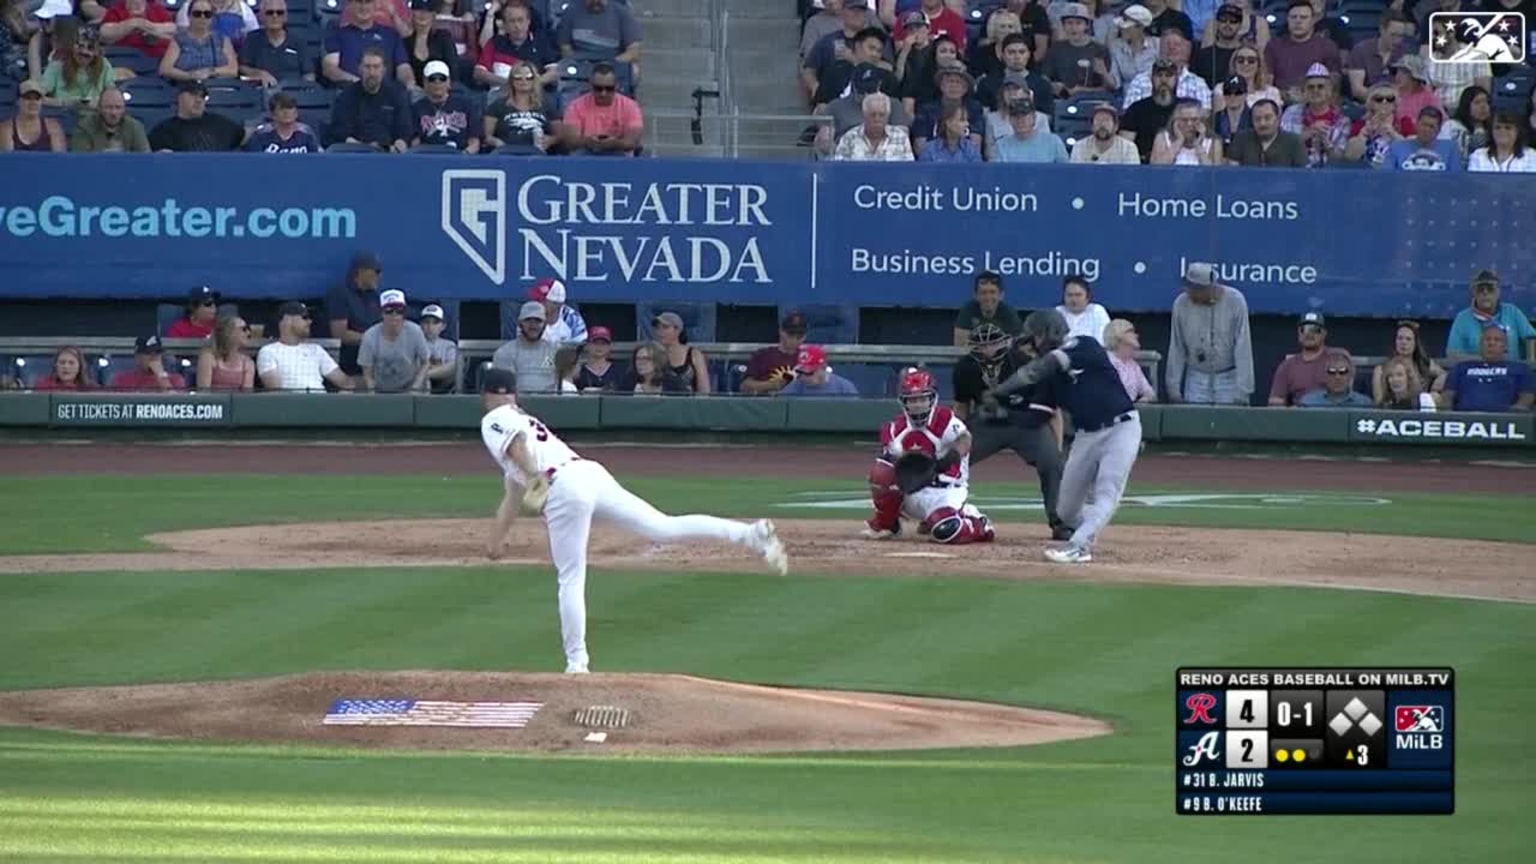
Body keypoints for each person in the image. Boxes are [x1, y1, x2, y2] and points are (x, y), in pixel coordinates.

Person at [478, 367, 787, 675]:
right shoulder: (525, 420)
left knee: (571, 577)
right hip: (589, 473)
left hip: (563, 487)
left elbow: (517, 447)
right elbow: (512, 495)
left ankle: (576, 664)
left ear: (485, 394)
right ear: (513, 392)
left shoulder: (495, 418)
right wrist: (494, 542)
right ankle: (750, 535)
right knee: (663, 526)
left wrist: (535, 477)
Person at [985, 310, 1141, 564]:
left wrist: (1001, 390)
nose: (1031, 343)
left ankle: (1080, 545)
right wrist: (998, 413)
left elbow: (1039, 369)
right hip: (1086, 435)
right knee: (1065, 510)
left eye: (1034, 336)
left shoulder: (1083, 344)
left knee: (1106, 491)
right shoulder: (1051, 379)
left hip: (1121, 428)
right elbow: (1035, 417)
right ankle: (1085, 530)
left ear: (1047, 333)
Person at [950, 323, 1068, 540]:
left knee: (1052, 463)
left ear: (1004, 342)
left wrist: (1057, 446)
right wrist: (953, 439)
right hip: (987, 423)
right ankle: (938, 513)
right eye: (982, 345)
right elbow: (961, 408)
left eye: (993, 343)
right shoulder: (965, 368)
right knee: (949, 459)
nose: (988, 350)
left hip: (1026, 422)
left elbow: (1053, 409)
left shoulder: (1025, 362)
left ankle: (1059, 521)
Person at [861, 366, 995, 545]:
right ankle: (887, 525)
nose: (917, 405)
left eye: (922, 399)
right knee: (881, 472)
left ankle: (977, 522)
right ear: (904, 402)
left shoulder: (945, 419)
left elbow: (965, 438)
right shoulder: (894, 429)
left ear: (931, 398)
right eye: (912, 400)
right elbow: (891, 464)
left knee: (946, 531)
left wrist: (952, 457)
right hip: (913, 490)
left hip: (946, 491)